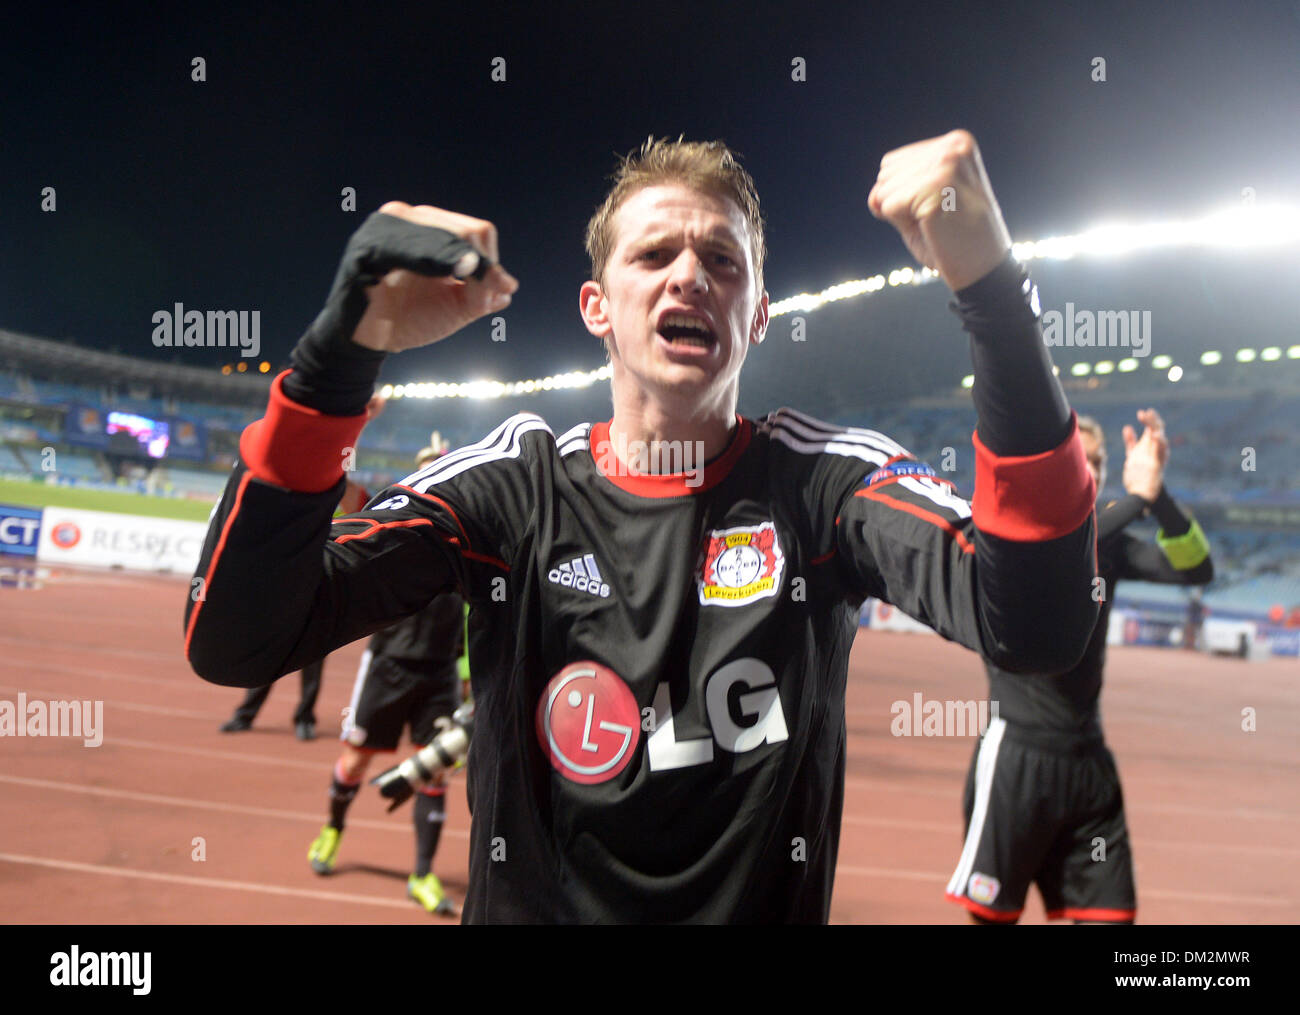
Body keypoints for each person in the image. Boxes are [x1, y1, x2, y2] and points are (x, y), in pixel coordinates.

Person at [185, 130, 1100, 923]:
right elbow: (237, 637)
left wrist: (992, 291)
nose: (690, 275)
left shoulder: (822, 483)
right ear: (599, 312)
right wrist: (339, 354)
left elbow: (1035, 621)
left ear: (758, 319)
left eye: (724, 261)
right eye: (653, 255)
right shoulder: (514, 488)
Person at [945, 408, 1213, 924]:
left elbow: (1196, 568)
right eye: (1080, 461)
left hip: (1088, 759)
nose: (1092, 470)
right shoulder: (1016, 533)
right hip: (1018, 757)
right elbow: (1066, 541)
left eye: (1100, 460)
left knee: (1111, 915)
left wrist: (1161, 500)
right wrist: (1139, 498)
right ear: (1055, 470)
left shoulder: (1109, 543)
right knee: (991, 916)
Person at [306, 441, 470, 917]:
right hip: (388, 666)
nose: (437, 471)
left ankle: (422, 874)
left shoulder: (473, 528)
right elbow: (346, 495)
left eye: (443, 465)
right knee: (355, 763)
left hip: (440, 672)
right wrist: (335, 445)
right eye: (428, 466)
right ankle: (334, 829)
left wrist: (463, 673)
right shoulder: (395, 513)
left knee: (434, 772)